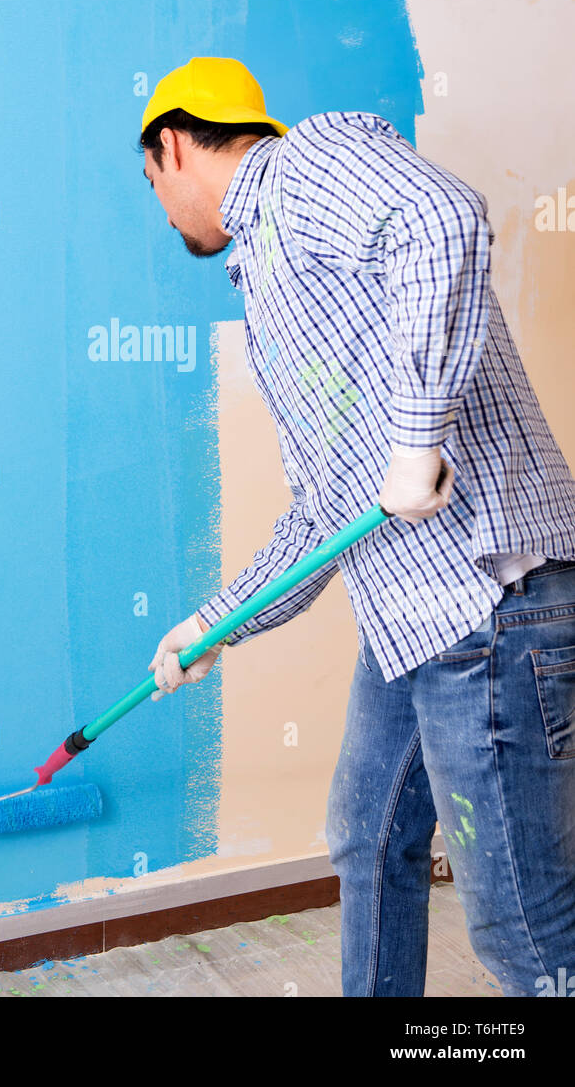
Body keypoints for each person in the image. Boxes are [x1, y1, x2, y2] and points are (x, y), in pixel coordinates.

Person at [141, 56, 575, 997]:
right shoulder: (272, 269)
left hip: (487, 602)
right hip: (416, 619)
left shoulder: (303, 167)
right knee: (366, 836)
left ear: (173, 144)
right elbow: (331, 512)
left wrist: (418, 434)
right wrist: (212, 625)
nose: (164, 213)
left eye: (153, 186)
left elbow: (441, 218)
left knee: (527, 942)